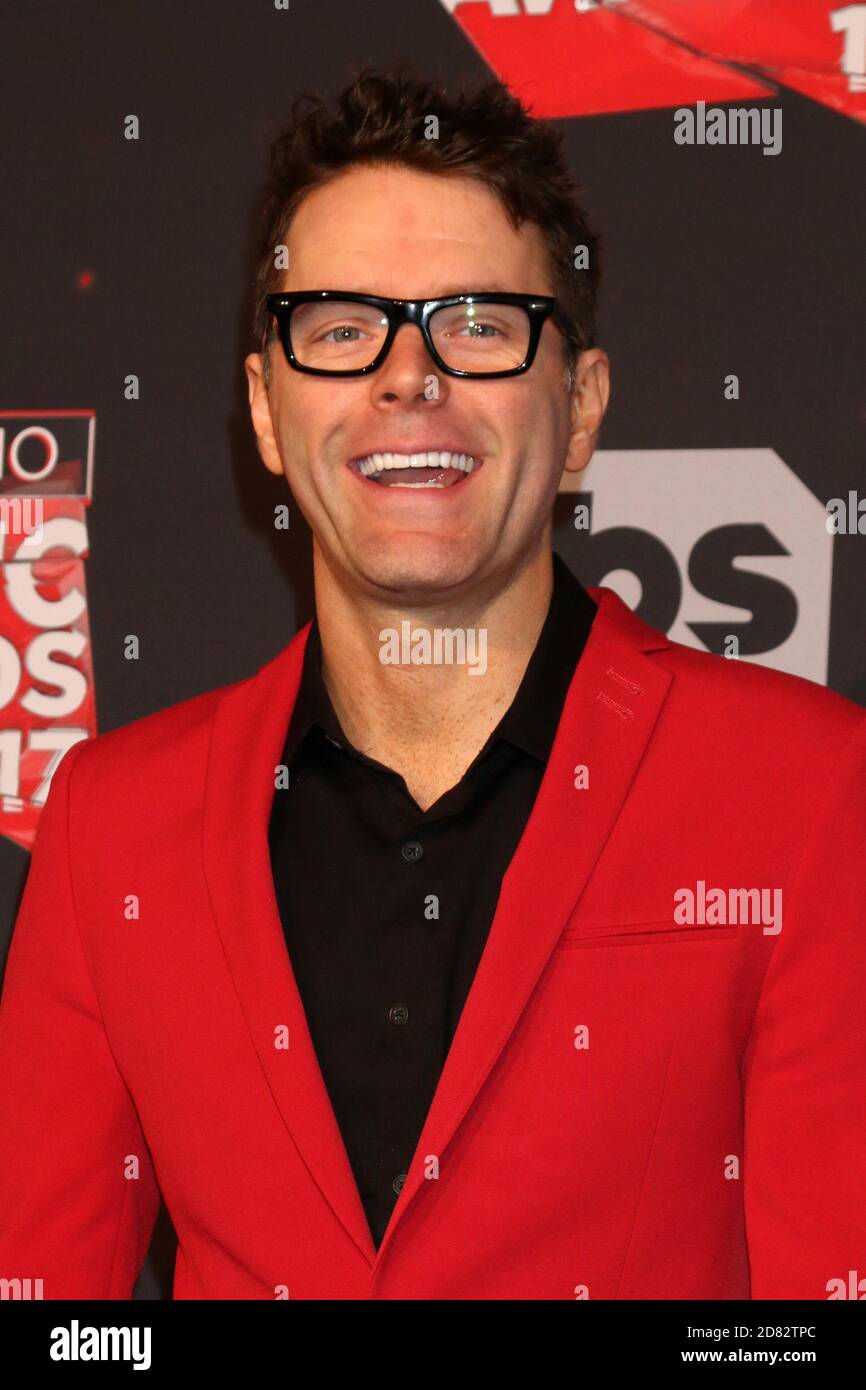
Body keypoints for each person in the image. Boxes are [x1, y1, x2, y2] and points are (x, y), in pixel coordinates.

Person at [1, 65, 864, 1302]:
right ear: (264, 407)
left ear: (577, 412)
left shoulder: (803, 792)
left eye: (477, 323)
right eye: (342, 327)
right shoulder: (109, 827)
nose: (409, 377)